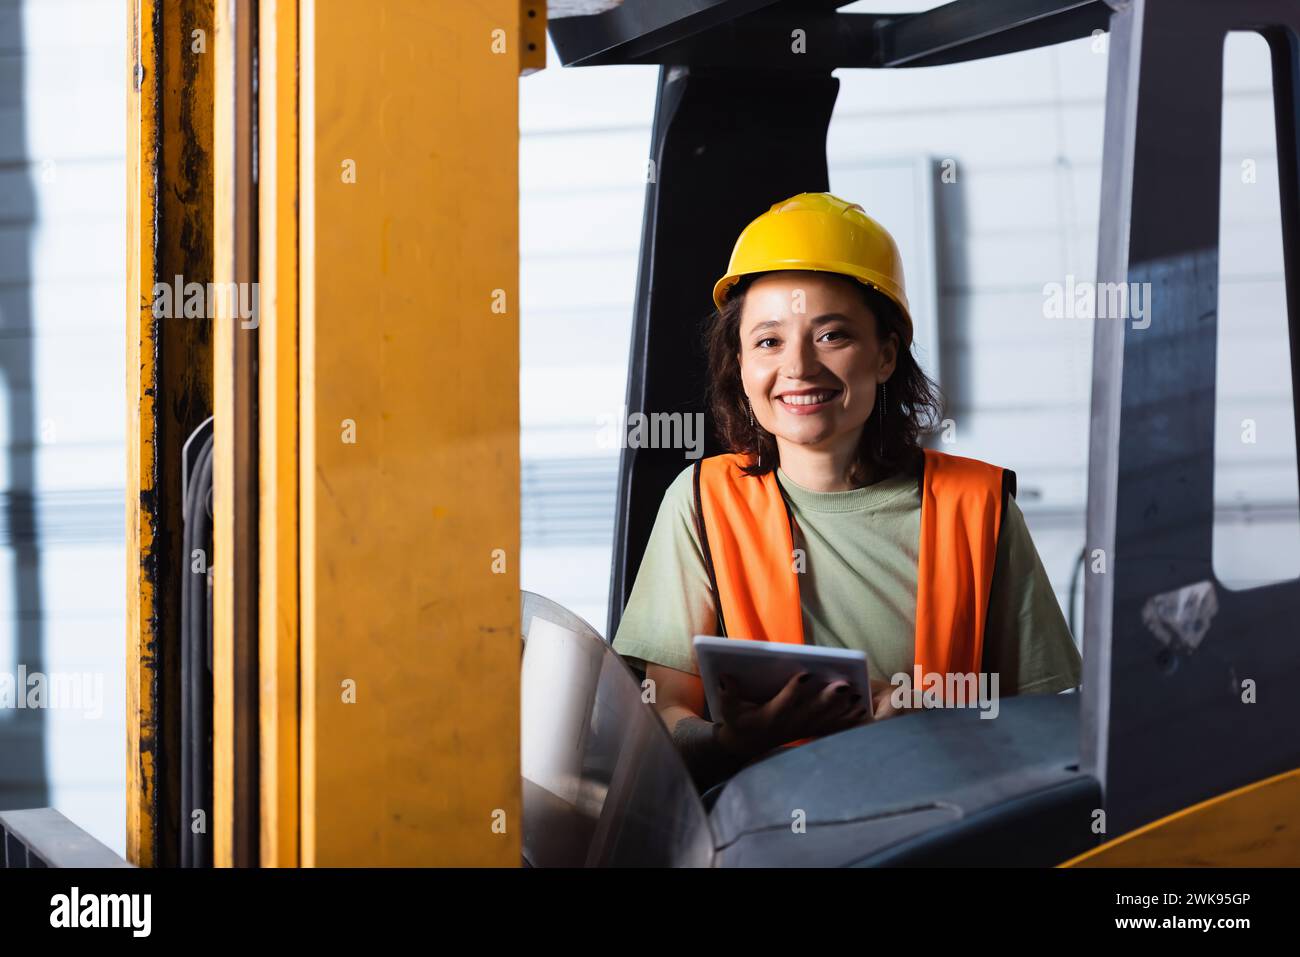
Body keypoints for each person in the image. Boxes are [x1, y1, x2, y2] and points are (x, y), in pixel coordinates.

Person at [612, 192, 1082, 790]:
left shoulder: (979, 506)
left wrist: (936, 719)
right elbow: (663, 716)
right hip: (766, 835)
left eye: (832, 335)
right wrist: (735, 741)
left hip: (945, 831)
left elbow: (1042, 726)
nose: (800, 367)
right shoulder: (702, 503)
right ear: (740, 363)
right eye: (768, 341)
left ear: (885, 355)